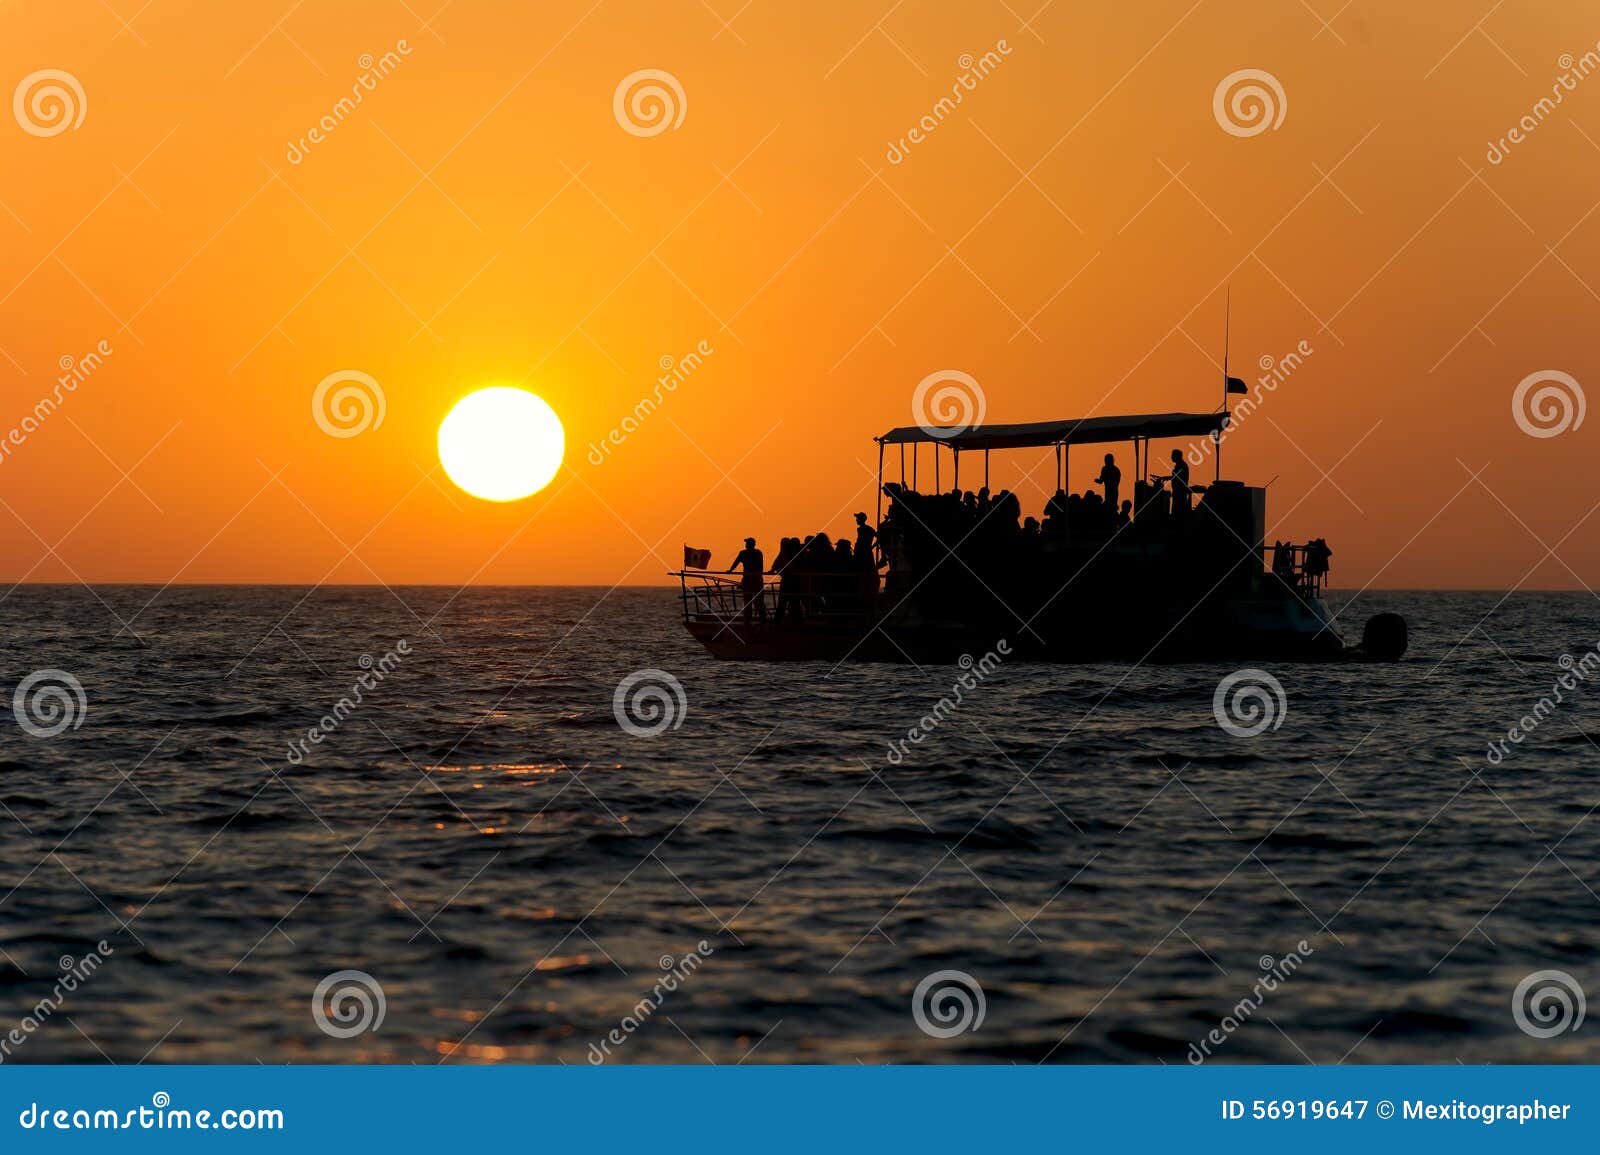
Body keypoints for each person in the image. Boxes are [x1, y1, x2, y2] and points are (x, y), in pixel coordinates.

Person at [728, 536, 766, 623]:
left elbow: (736, 562)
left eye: (747, 543)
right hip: (756, 579)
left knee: (749, 601)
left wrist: (731, 570)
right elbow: (761, 566)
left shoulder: (744, 553)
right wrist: (731, 570)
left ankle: (749, 620)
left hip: (749, 580)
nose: (745, 545)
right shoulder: (757, 552)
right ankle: (761, 619)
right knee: (758, 601)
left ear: (750, 544)